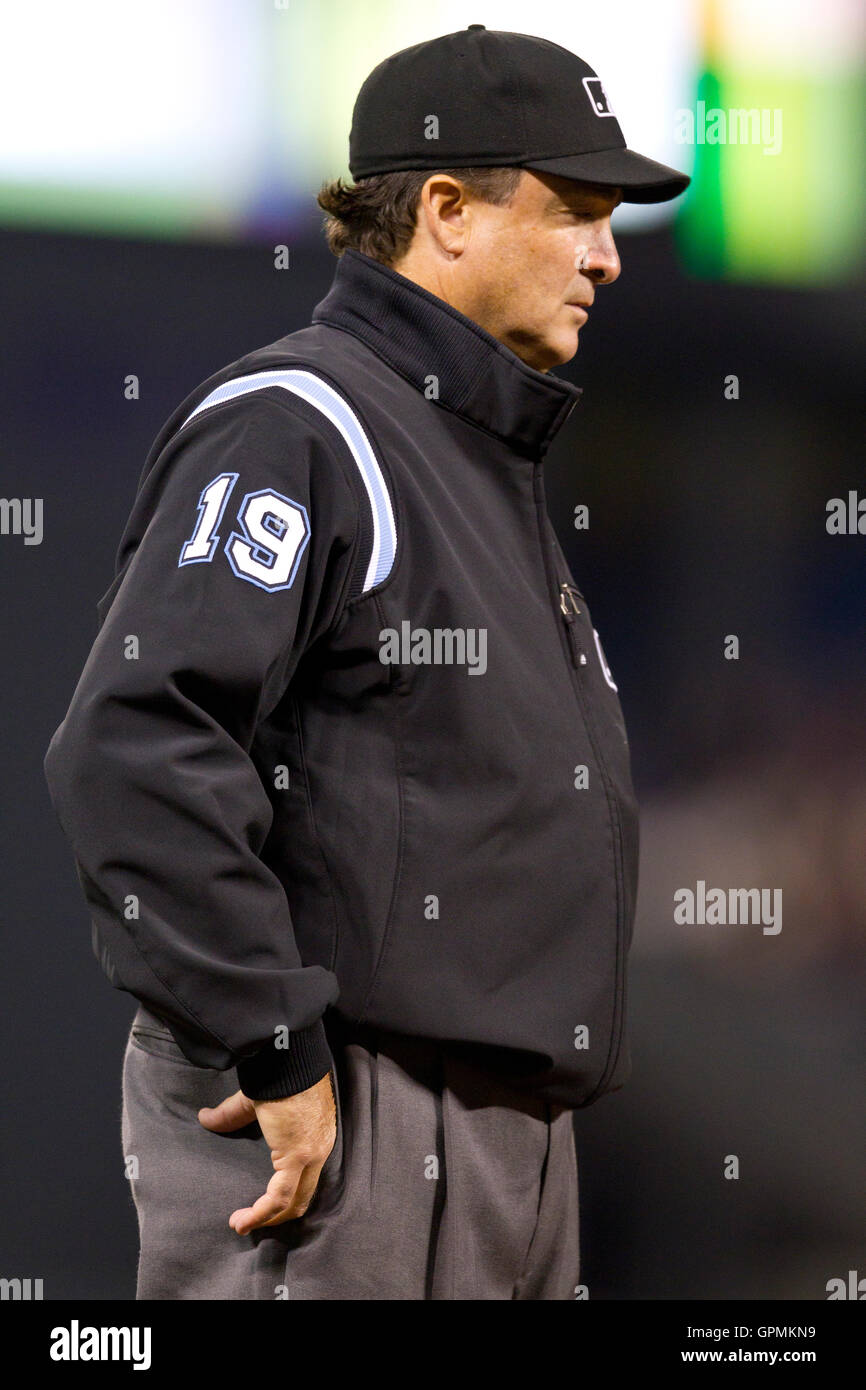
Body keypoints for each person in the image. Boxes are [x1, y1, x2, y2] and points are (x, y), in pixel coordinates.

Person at [44, 25, 689, 1300]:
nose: (606, 258)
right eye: (575, 212)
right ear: (446, 210)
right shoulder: (301, 422)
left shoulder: (472, 455)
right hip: (347, 1123)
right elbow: (133, 747)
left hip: (502, 1138)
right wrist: (274, 1041)